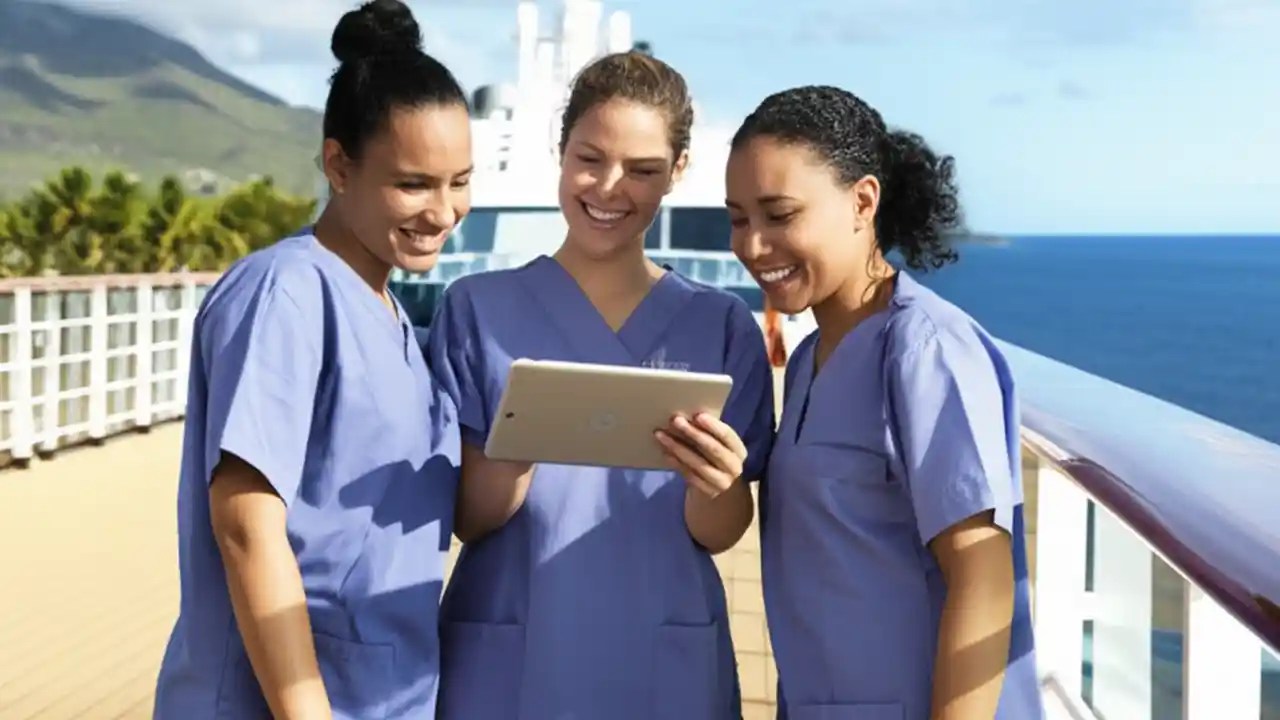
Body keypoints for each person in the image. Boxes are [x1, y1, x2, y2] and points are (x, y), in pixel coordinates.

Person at [427, 51, 775, 720]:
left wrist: (719, 485)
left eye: (643, 170)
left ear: (676, 172)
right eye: (590, 158)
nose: (610, 187)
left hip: (663, 659)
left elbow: (722, 531)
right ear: (560, 152)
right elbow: (467, 519)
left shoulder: (720, 326)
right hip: (512, 651)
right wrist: (518, 452)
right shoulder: (475, 309)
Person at [151, 2, 471, 718]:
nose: (444, 212)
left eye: (460, 182)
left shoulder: (392, 319)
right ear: (338, 165)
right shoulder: (285, 291)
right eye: (414, 183)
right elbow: (244, 520)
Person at [725, 85, 1042, 720]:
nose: (753, 246)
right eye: (737, 219)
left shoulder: (925, 348)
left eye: (779, 215)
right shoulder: (815, 356)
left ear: (862, 202)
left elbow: (982, 575)